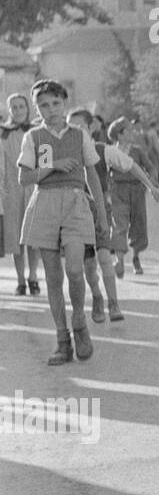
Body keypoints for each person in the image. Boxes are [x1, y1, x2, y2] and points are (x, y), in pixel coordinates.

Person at [16, 79, 111, 364]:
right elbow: (25, 179)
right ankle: (62, 340)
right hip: (44, 204)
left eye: (56, 104)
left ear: (65, 104)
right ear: (37, 109)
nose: (51, 109)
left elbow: (92, 174)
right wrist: (51, 166)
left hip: (75, 204)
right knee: (53, 279)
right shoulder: (33, 137)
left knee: (75, 268)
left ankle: (79, 321)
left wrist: (102, 215)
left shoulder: (80, 135)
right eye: (44, 105)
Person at [67, 109, 126, 323]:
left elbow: (127, 165)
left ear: (90, 128)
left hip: (99, 209)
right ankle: (97, 296)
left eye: (80, 127)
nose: (75, 131)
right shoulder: (58, 149)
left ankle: (114, 303)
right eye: (70, 127)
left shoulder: (100, 150)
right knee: (88, 266)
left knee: (104, 258)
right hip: (75, 212)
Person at [105, 118, 159, 276]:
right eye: (129, 130)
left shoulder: (137, 151)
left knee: (138, 225)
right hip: (118, 191)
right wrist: (105, 193)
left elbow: (150, 167)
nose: (133, 132)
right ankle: (120, 260)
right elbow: (104, 173)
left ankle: (136, 257)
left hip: (137, 191)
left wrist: (152, 184)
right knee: (119, 225)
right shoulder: (110, 151)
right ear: (120, 135)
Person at [2, 93, 41, 294]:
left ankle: (33, 276)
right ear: (9, 111)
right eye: (14, 107)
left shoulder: (36, 131)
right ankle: (20, 280)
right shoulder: (3, 134)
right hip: (11, 190)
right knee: (16, 237)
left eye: (21, 107)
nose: (18, 111)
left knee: (33, 236)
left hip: (33, 187)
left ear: (27, 109)